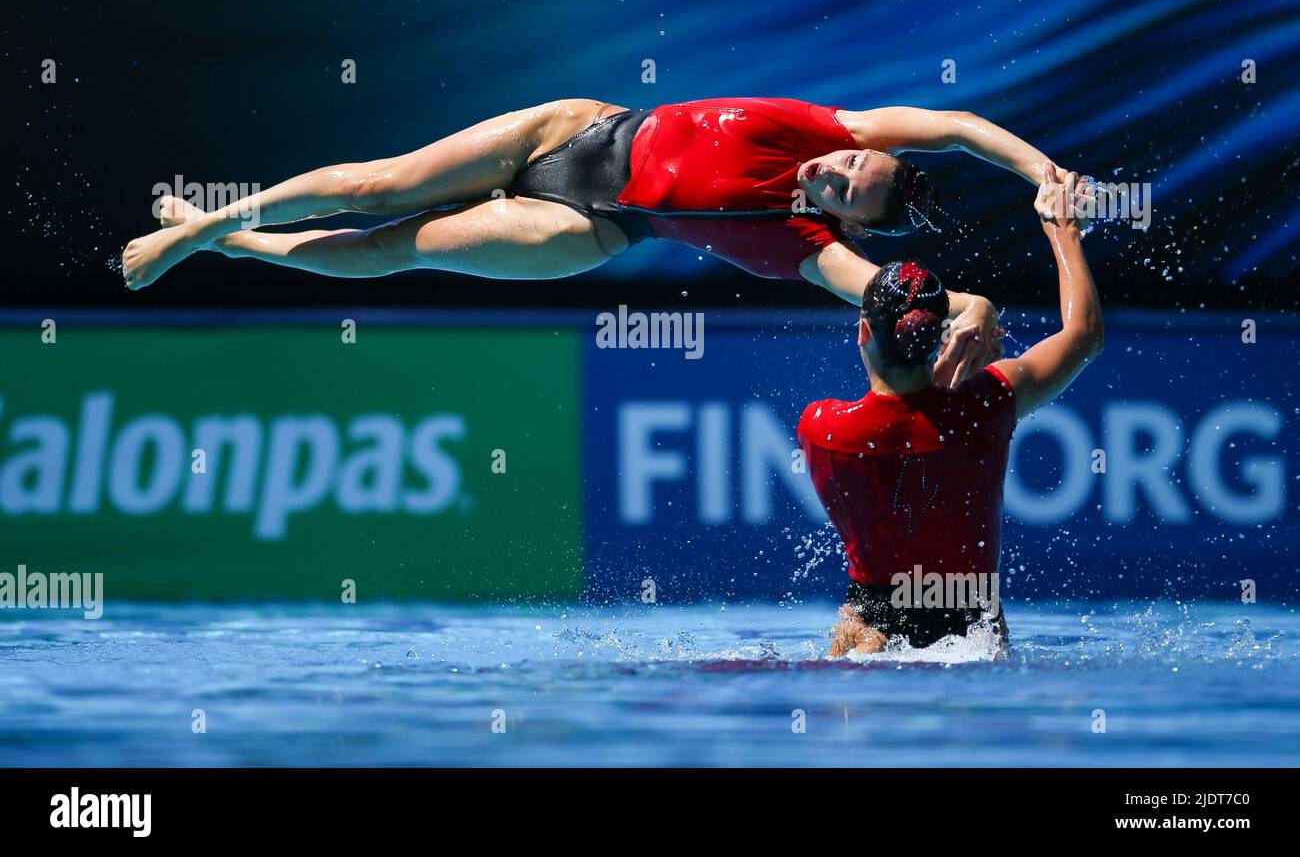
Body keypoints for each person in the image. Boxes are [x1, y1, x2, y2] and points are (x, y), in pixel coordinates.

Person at [122, 98, 1078, 382]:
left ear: (844, 221)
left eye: (840, 194)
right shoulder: (822, 125)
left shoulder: (805, 245)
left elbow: (887, 294)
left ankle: (232, 249)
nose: (825, 176)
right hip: (580, 132)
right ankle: (211, 222)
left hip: (586, 224)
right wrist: (1042, 171)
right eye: (842, 166)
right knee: (379, 183)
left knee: (391, 246)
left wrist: (980, 305)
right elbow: (955, 127)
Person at [797, 164, 1104, 654]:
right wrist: (1061, 229)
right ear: (940, 336)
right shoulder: (989, 402)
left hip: (869, 630)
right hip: (973, 628)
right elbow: (1084, 335)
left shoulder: (821, 426)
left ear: (864, 334)